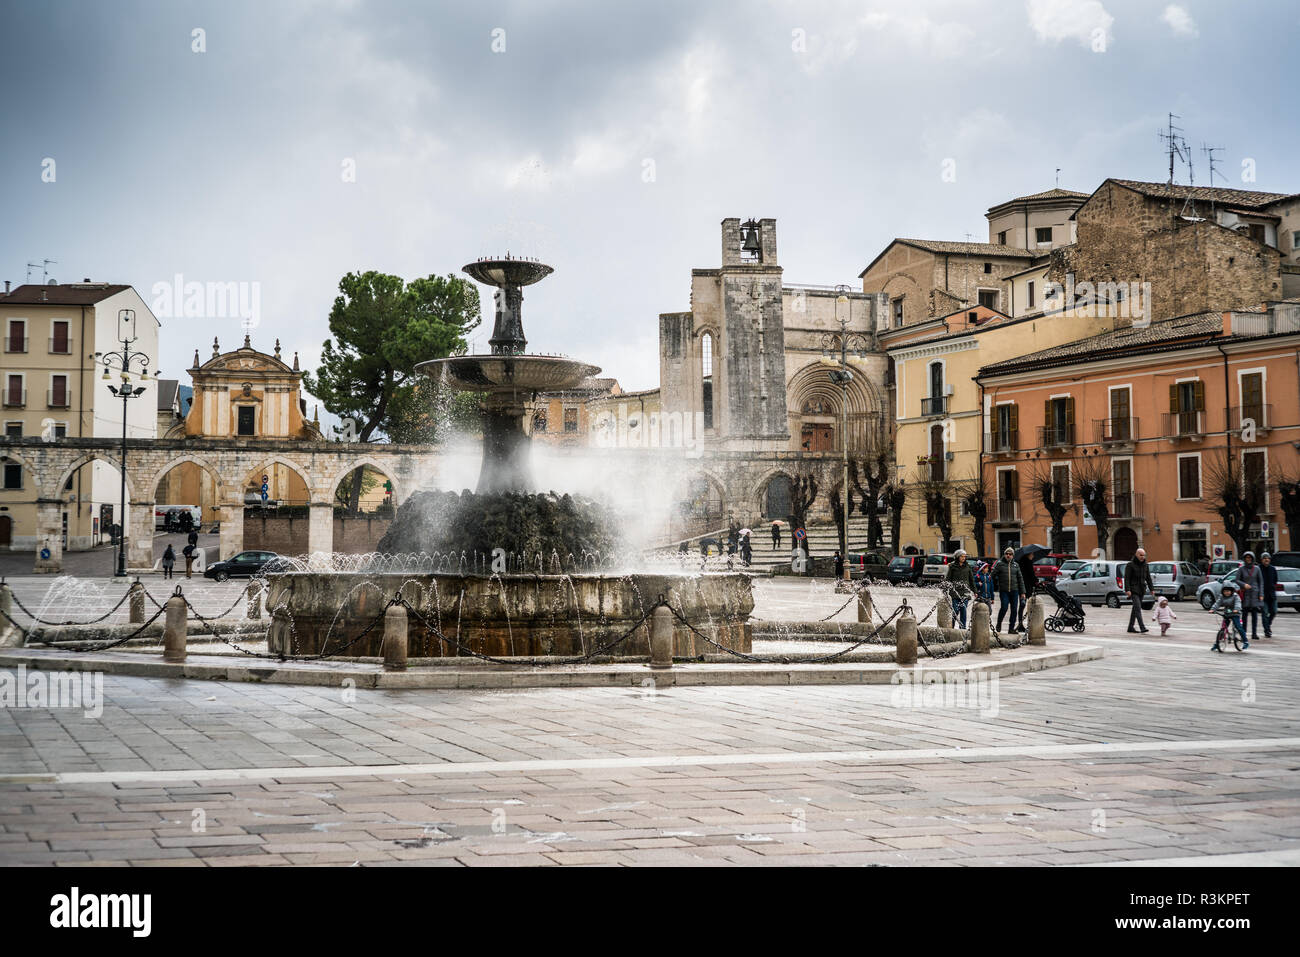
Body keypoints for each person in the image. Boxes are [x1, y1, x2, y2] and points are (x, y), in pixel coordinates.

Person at [992, 547, 1025, 634]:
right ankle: (999, 623)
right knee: (1004, 607)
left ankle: (1011, 628)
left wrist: (1022, 592)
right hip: (1004, 591)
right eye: (1007, 554)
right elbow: (992, 576)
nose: (1008, 555)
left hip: (1015, 591)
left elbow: (1020, 579)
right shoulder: (999, 564)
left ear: (1013, 556)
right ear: (1004, 554)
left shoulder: (1016, 565)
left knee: (1014, 610)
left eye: (1010, 554)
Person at [1124, 548, 1154, 633]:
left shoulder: (1145, 565)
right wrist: (1127, 589)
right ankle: (1142, 627)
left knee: (1135, 609)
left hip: (1142, 589)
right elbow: (1127, 578)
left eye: (1144, 555)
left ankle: (1130, 627)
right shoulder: (1130, 565)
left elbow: (1148, 578)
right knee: (1138, 608)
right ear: (1136, 555)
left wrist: (1152, 589)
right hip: (1133, 590)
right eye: (1141, 555)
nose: (1143, 557)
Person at [1210, 583, 1247, 651]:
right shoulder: (1222, 597)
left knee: (1238, 626)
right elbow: (1217, 603)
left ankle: (1245, 641)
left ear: (1231, 591)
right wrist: (1213, 609)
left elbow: (1238, 603)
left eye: (1228, 591)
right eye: (1225, 591)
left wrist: (1236, 609)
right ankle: (1217, 643)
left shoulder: (1235, 596)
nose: (1226, 593)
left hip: (1235, 613)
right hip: (1227, 613)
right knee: (1223, 628)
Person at [945, 549, 976, 629]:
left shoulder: (968, 566)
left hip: (965, 592)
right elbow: (948, 579)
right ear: (958, 557)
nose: (963, 558)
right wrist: (945, 589)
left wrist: (975, 591)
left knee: (963, 610)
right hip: (955, 593)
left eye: (964, 556)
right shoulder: (952, 566)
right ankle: (951, 626)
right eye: (961, 556)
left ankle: (962, 628)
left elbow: (971, 579)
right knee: (955, 610)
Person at [1237, 551, 1264, 640]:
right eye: (1246, 558)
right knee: (1244, 615)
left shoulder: (1257, 569)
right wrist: (1243, 585)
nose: (1248, 559)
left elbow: (1261, 582)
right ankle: (1243, 633)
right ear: (1244, 559)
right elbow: (1237, 580)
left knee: (1255, 615)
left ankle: (1254, 633)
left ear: (1252, 559)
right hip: (1245, 594)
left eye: (1250, 558)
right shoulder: (1241, 569)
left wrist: (1261, 594)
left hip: (1255, 594)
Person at [1259, 552, 1277, 638]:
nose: (1266, 560)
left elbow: (1275, 580)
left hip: (1272, 595)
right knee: (1265, 613)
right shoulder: (1258, 569)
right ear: (1261, 560)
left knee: (1274, 611)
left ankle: (1268, 625)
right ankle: (1267, 630)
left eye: (1268, 558)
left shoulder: (1273, 569)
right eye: (1265, 558)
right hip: (1263, 595)